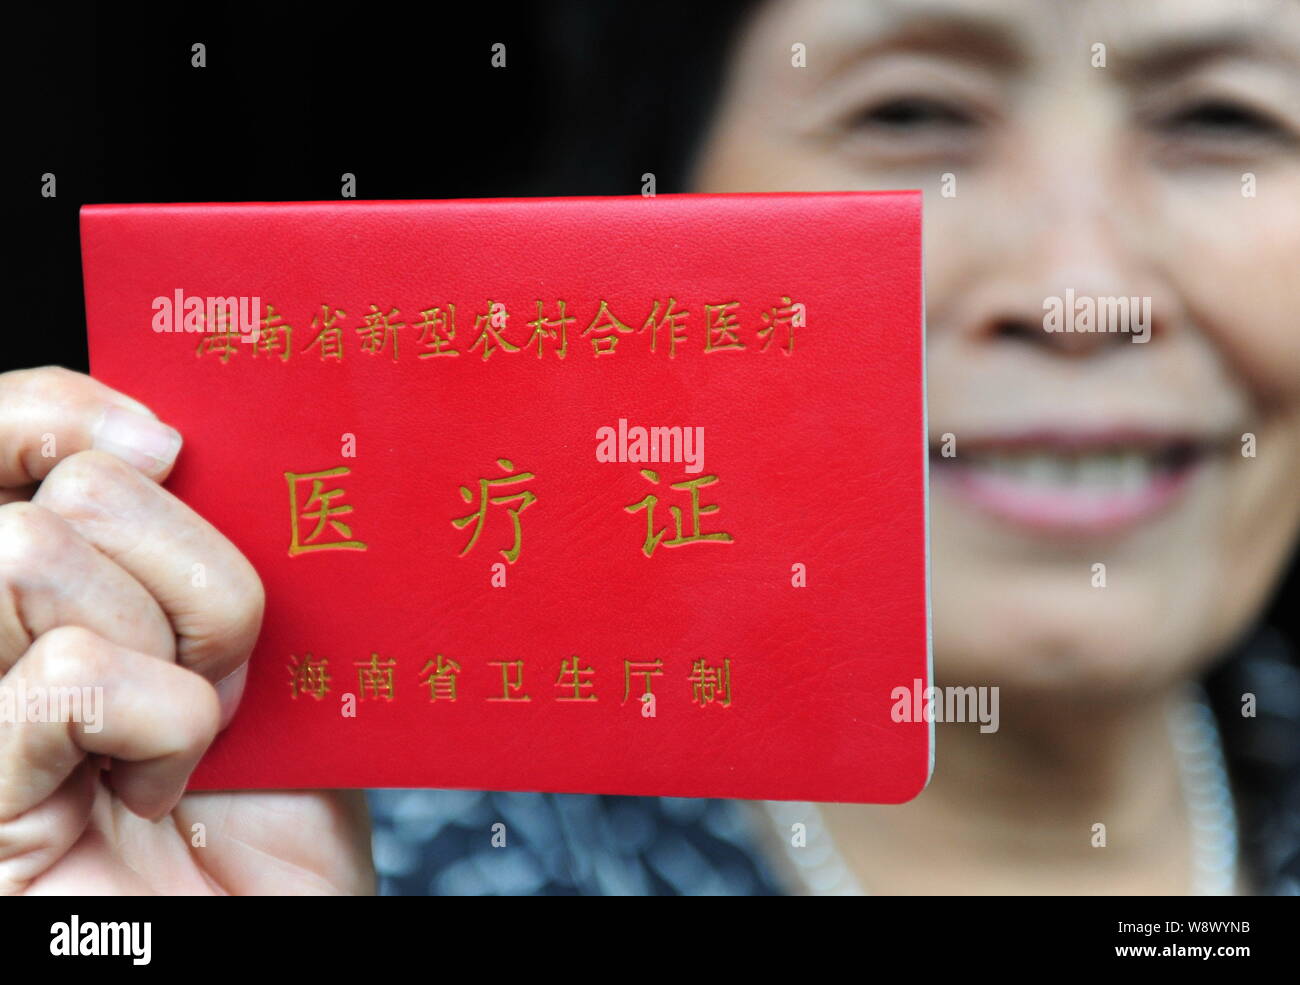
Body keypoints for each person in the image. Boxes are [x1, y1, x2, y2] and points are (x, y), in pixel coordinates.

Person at [2, 0, 1299, 895]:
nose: (1078, 290)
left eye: (1225, 122)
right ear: (657, 205)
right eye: (911, 112)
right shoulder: (325, 855)